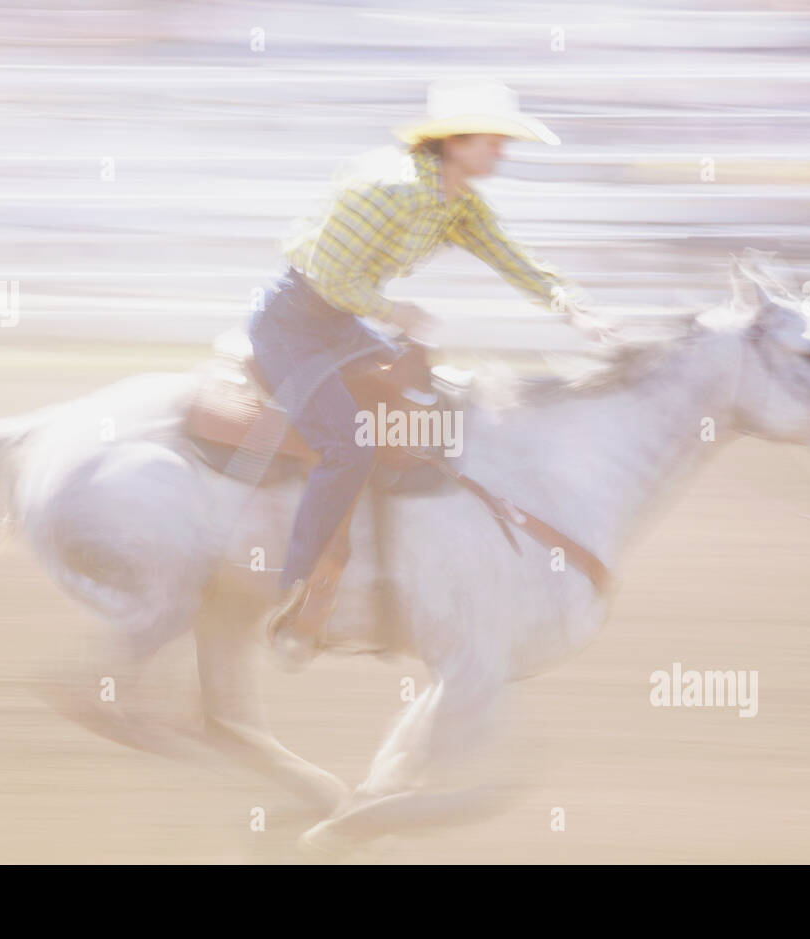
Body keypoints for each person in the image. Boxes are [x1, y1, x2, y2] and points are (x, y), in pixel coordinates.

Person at [246, 79, 609, 663]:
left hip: (337, 323)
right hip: (294, 324)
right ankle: (296, 584)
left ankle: (395, 564)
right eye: (494, 140)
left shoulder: (455, 201)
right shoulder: (385, 189)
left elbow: (509, 256)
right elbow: (329, 277)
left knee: (426, 409)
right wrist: (396, 311)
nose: (502, 152)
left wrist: (571, 305)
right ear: (456, 141)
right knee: (347, 445)